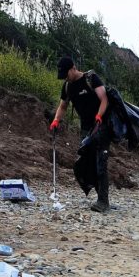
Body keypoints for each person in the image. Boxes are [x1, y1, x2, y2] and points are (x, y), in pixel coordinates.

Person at [52, 55, 110, 212]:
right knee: (88, 162)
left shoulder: (91, 78)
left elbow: (104, 99)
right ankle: (100, 197)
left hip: (102, 126)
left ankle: (103, 201)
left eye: (66, 74)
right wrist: (56, 120)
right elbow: (63, 106)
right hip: (85, 129)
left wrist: (99, 115)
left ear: (73, 68)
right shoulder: (67, 86)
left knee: (101, 163)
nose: (66, 78)